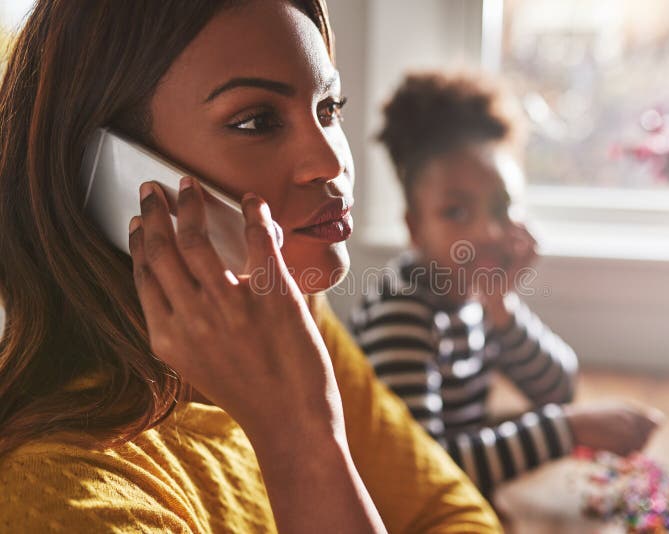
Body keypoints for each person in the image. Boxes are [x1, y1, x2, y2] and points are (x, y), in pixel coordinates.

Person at [0, 3, 502, 532]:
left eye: (328, 108)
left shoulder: (279, 312)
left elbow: (454, 515)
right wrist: (299, 441)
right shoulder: (60, 498)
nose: (332, 161)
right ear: (109, 172)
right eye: (257, 121)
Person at [349, 72, 663, 497]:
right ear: (414, 228)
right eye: (457, 213)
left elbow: (559, 388)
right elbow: (421, 472)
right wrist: (569, 430)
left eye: (502, 206)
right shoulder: (403, 313)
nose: (488, 232)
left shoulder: (473, 298)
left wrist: (502, 305)